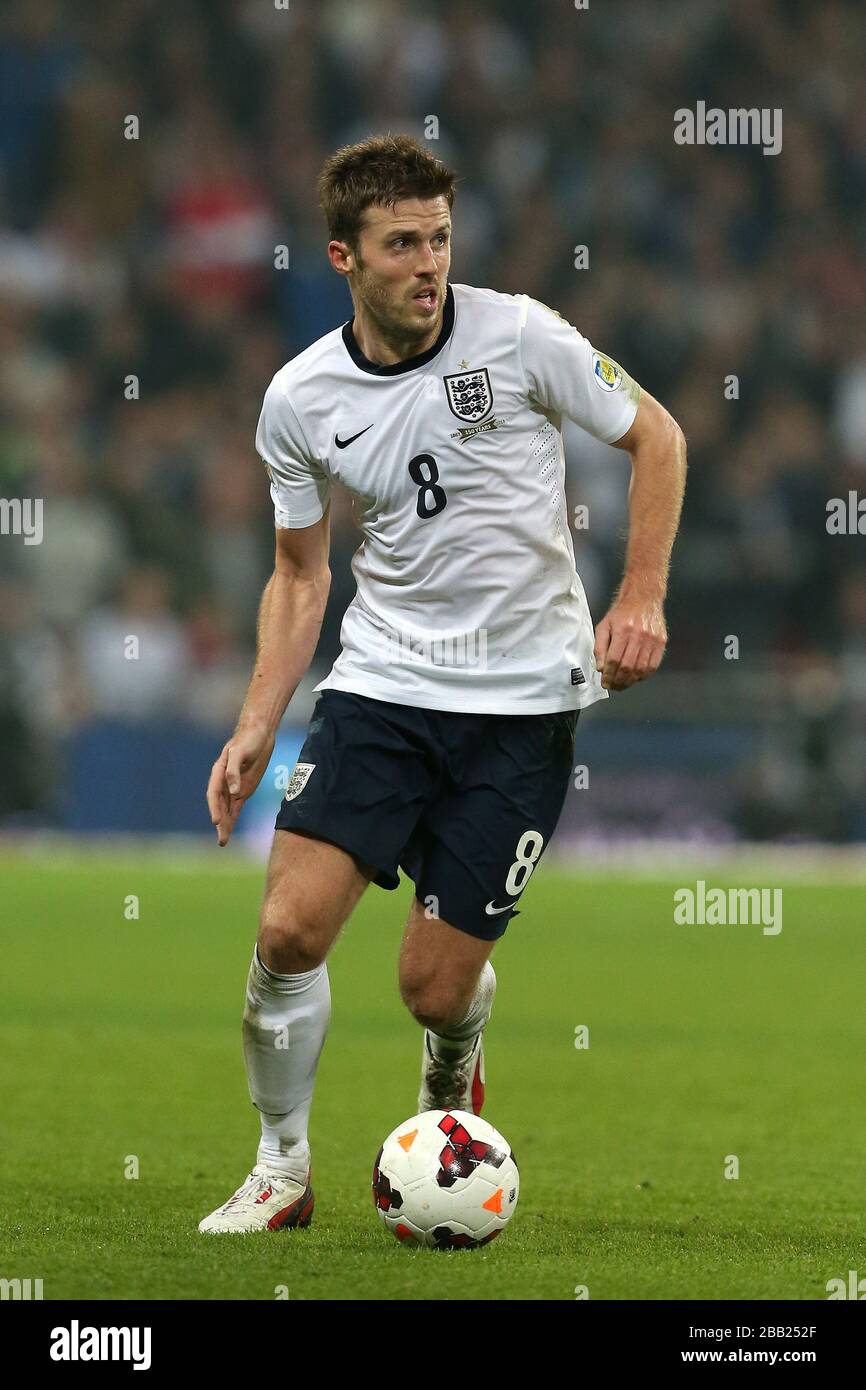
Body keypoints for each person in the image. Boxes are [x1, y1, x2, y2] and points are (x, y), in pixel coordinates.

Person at [200, 134, 686, 1233]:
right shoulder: (299, 398)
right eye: (401, 244)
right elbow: (297, 570)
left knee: (429, 985)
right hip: (381, 688)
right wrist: (254, 719)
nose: (428, 263)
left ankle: (450, 1054)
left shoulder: (519, 335)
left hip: (521, 706)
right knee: (285, 933)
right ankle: (281, 1171)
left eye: (439, 239)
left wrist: (641, 595)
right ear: (343, 257)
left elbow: (655, 434)